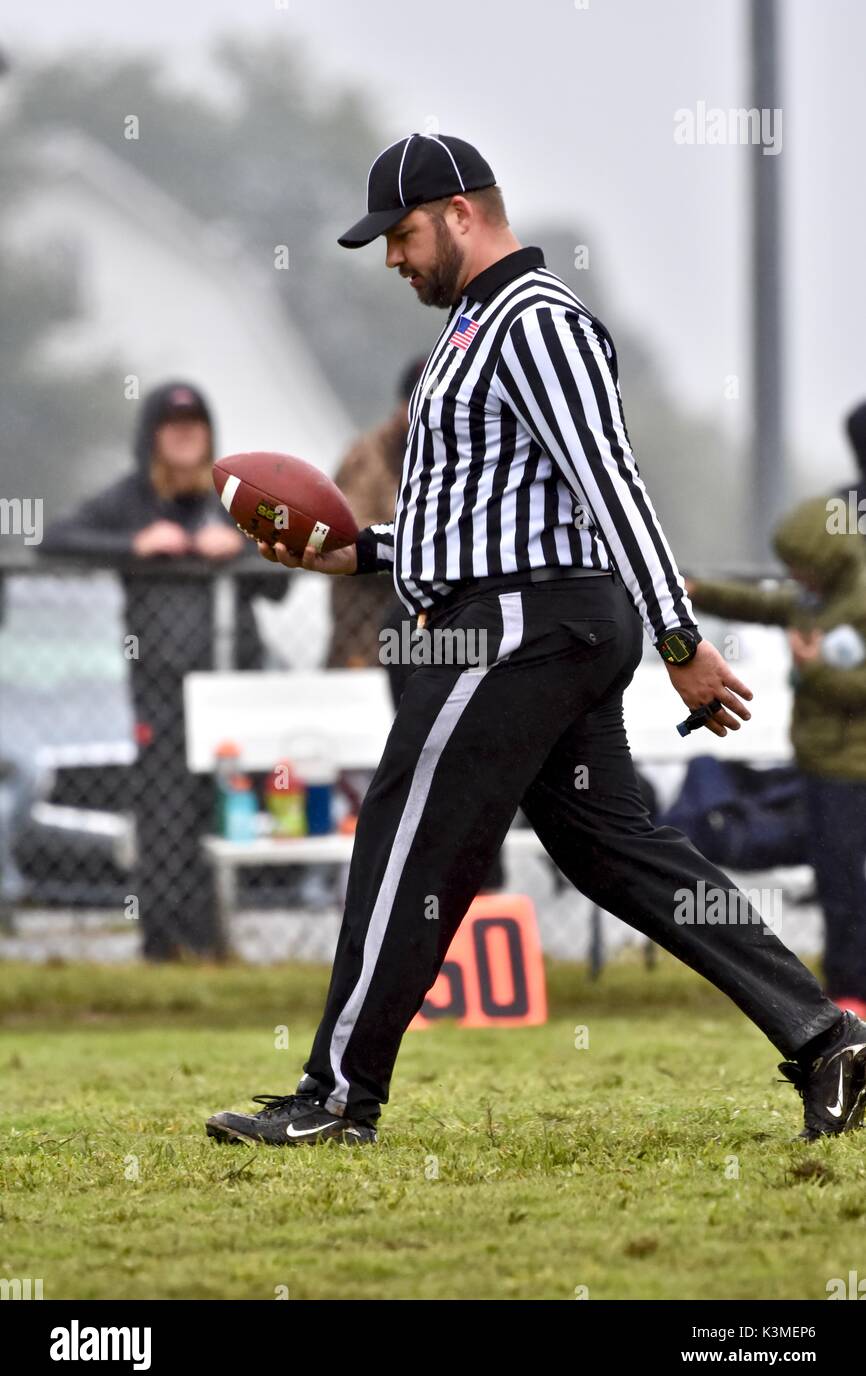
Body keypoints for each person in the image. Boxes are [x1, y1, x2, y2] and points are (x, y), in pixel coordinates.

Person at [206, 133, 866, 1147]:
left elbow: (610, 483)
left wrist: (680, 636)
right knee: (614, 851)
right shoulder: (471, 330)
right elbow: (477, 516)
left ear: (463, 212)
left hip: (519, 625)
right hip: (530, 615)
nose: (392, 258)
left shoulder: (532, 320)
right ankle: (826, 1040)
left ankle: (335, 1100)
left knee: (401, 834)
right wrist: (362, 553)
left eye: (403, 233)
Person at [42, 382, 288, 959]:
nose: (184, 435)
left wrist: (241, 547)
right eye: (173, 426)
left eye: (195, 426)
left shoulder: (235, 497)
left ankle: (216, 940)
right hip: (161, 687)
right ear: (151, 437)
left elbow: (285, 571)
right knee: (165, 812)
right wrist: (136, 544)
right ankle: (164, 945)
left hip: (233, 688)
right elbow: (56, 540)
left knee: (232, 810)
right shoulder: (130, 500)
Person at [684, 496, 866, 1015]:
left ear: (825, 560)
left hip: (852, 771)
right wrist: (695, 593)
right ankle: (847, 986)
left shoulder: (859, 601)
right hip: (820, 766)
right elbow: (762, 605)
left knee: (846, 885)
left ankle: (854, 989)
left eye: (800, 567)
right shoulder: (817, 598)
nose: (795, 577)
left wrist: (816, 671)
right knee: (835, 881)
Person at [327, 358, 425, 668]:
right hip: (366, 639)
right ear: (404, 406)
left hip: (431, 640)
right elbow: (347, 530)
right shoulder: (365, 458)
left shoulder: (459, 455)